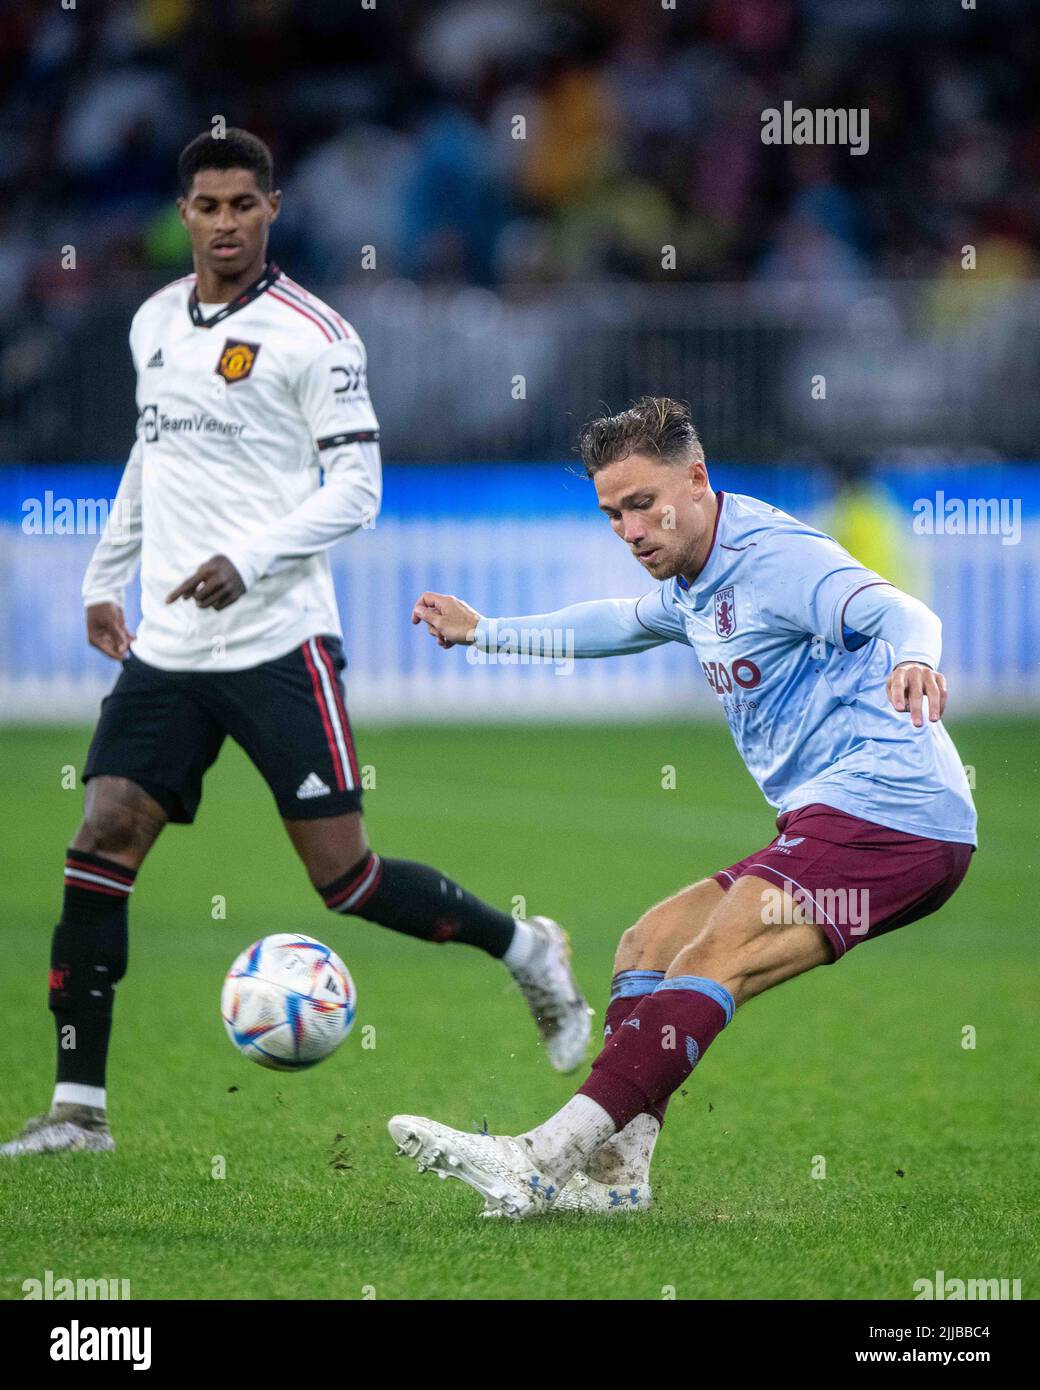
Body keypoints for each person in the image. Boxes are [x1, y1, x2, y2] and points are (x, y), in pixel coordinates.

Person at [1, 129, 589, 1159]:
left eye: (244, 204)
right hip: (170, 648)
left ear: (273, 208)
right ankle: (78, 1109)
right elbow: (151, 455)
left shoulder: (317, 336)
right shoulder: (150, 324)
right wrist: (105, 576)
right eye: (207, 205)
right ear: (181, 214)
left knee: (344, 879)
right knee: (101, 842)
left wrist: (249, 557)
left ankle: (523, 947)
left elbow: (358, 490)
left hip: (279, 641)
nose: (225, 222)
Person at [393, 396, 976, 1217]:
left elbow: (901, 609)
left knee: (715, 956)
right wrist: (486, 630)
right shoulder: (695, 578)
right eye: (612, 514)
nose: (630, 530)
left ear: (695, 479)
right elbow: (619, 625)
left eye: (642, 504)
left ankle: (539, 1157)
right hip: (835, 816)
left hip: (896, 814)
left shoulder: (772, 557)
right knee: (652, 942)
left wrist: (916, 658)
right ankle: (616, 1178)